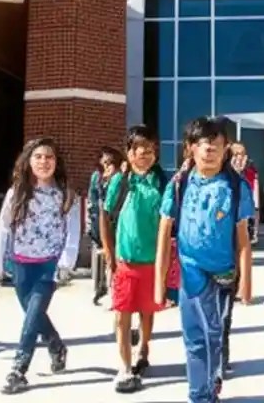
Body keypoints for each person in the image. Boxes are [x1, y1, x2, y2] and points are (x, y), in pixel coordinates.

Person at [156, 116, 254, 403]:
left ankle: (209, 386)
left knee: (213, 334)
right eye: (203, 143)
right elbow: (164, 231)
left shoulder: (236, 187)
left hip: (222, 275)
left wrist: (247, 281)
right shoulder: (178, 184)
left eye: (217, 143)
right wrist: (158, 283)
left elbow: (243, 240)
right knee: (194, 335)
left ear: (226, 150)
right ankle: (199, 394)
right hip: (190, 270)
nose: (210, 149)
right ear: (190, 148)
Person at [0, 137, 80, 394]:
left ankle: (18, 369)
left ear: (57, 162)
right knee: (34, 315)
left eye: (49, 157)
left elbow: (72, 232)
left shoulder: (67, 196)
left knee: (32, 316)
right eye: (38, 157)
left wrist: (66, 263)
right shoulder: (16, 193)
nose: (44, 162)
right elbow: (3, 229)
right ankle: (56, 345)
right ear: (28, 161)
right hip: (20, 264)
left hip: (48, 266)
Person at [101, 125, 167, 394]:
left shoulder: (161, 182)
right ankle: (124, 368)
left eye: (150, 151)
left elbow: (168, 220)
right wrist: (109, 254)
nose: (145, 155)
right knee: (122, 315)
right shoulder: (121, 180)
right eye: (140, 151)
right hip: (125, 260)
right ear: (129, 153)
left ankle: (143, 349)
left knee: (148, 311)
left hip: (152, 260)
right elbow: (105, 216)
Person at [89, 147, 124, 306]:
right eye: (104, 161)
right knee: (103, 254)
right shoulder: (96, 177)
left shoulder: (119, 177)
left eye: (110, 161)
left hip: (116, 222)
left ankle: (112, 290)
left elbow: (117, 200)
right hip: (99, 221)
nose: (106, 164)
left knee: (114, 257)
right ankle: (100, 287)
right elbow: (94, 200)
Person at [228, 142, 259, 244]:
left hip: (245, 221)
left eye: (243, 153)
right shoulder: (225, 177)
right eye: (236, 154)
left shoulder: (247, 174)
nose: (241, 157)